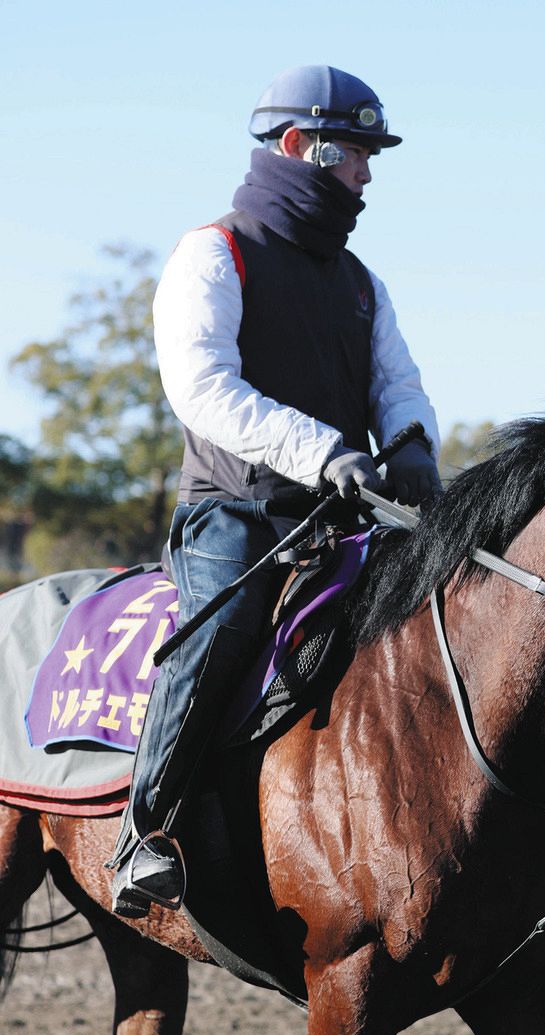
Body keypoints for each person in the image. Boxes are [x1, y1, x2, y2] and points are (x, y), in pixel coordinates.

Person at [109, 65, 441, 917]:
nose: (366, 175)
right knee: (218, 636)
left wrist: (408, 444)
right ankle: (147, 831)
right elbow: (202, 388)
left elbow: (397, 381)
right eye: (356, 155)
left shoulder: (362, 281)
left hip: (344, 517)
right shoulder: (211, 253)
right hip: (235, 512)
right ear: (301, 147)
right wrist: (325, 450)